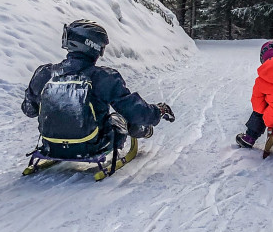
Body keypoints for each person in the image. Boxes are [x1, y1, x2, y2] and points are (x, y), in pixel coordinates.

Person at [23, 19, 174, 157]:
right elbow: (137, 112)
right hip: (92, 146)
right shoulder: (104, 77)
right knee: (122, 117)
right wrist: (158, 111)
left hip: (51, 145)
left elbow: (29, 110)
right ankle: (145, 131)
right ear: (93, 46)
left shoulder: (45, 73)